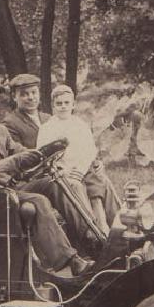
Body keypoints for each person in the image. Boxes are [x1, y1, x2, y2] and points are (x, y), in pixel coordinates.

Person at [0, 80, 93, 277]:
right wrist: (16, 161)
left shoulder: (0, 130)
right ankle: (68, 261)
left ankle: (90, 241)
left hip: (12, 188)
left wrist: (44, 154)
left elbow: (23, 153)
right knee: (39, 200)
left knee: (56, 183)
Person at [37, 84, 115, 235]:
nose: (63, 107)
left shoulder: (80, 125)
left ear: (73, 105)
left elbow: (89, 151)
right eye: (59, 104)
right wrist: (63, 169)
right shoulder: (47, 128)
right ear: (53, 105)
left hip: (80, 168)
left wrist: (81, 169)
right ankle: (93, 227)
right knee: (76, 185)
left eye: (67, 103)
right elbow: (44, 155)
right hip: (62, 171)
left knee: (97, 177)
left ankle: (108, 220)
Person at [1, 73, 48, 149]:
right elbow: (17, 156)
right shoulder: (10, 123)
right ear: (14, 97)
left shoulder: (48, 118)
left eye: (34, 92)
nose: (31, 97)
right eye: (24, 94)